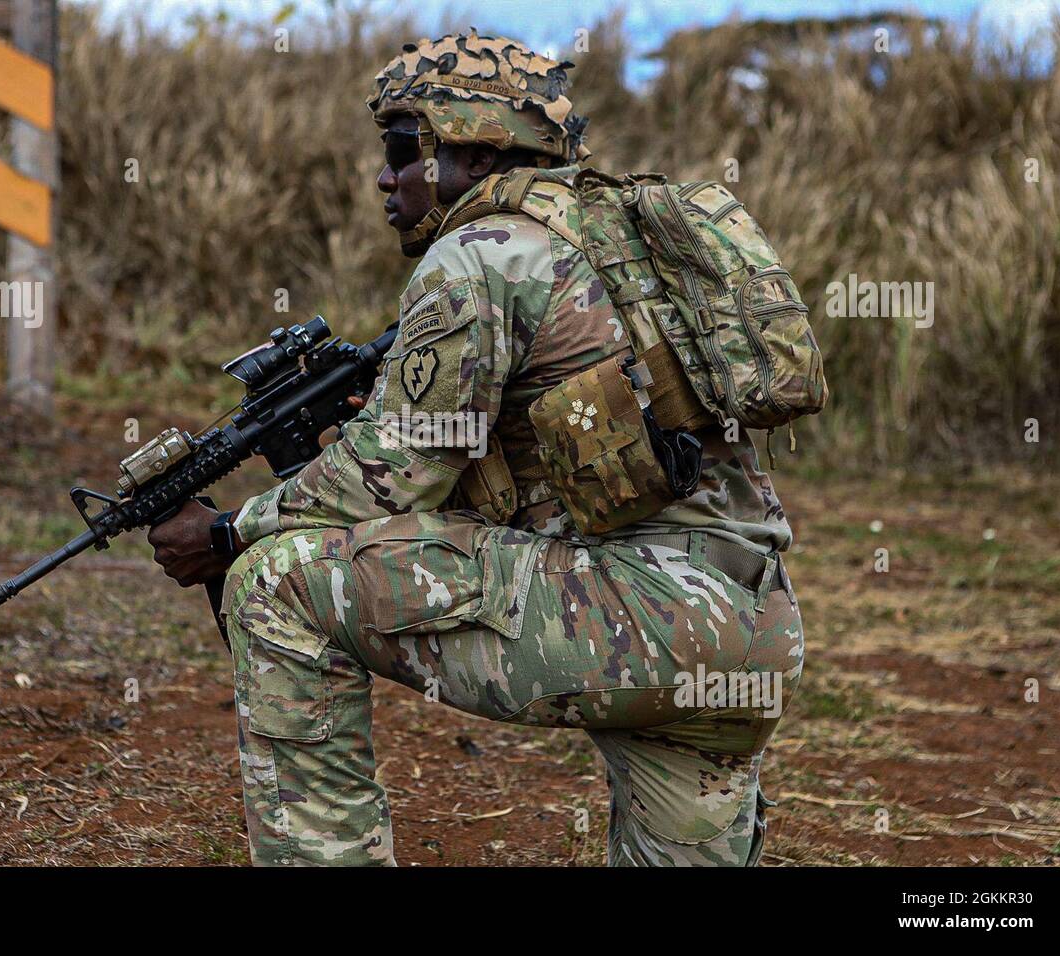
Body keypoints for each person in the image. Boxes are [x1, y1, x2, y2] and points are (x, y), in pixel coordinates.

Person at [147, 30, 804, 866]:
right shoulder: (619, 235)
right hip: (748, 634)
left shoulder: (480, 253)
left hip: (640, 624)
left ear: (473, 151)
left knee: (277, 582)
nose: (385, 176)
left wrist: (225, 534)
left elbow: (383, 484)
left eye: (401, 147)